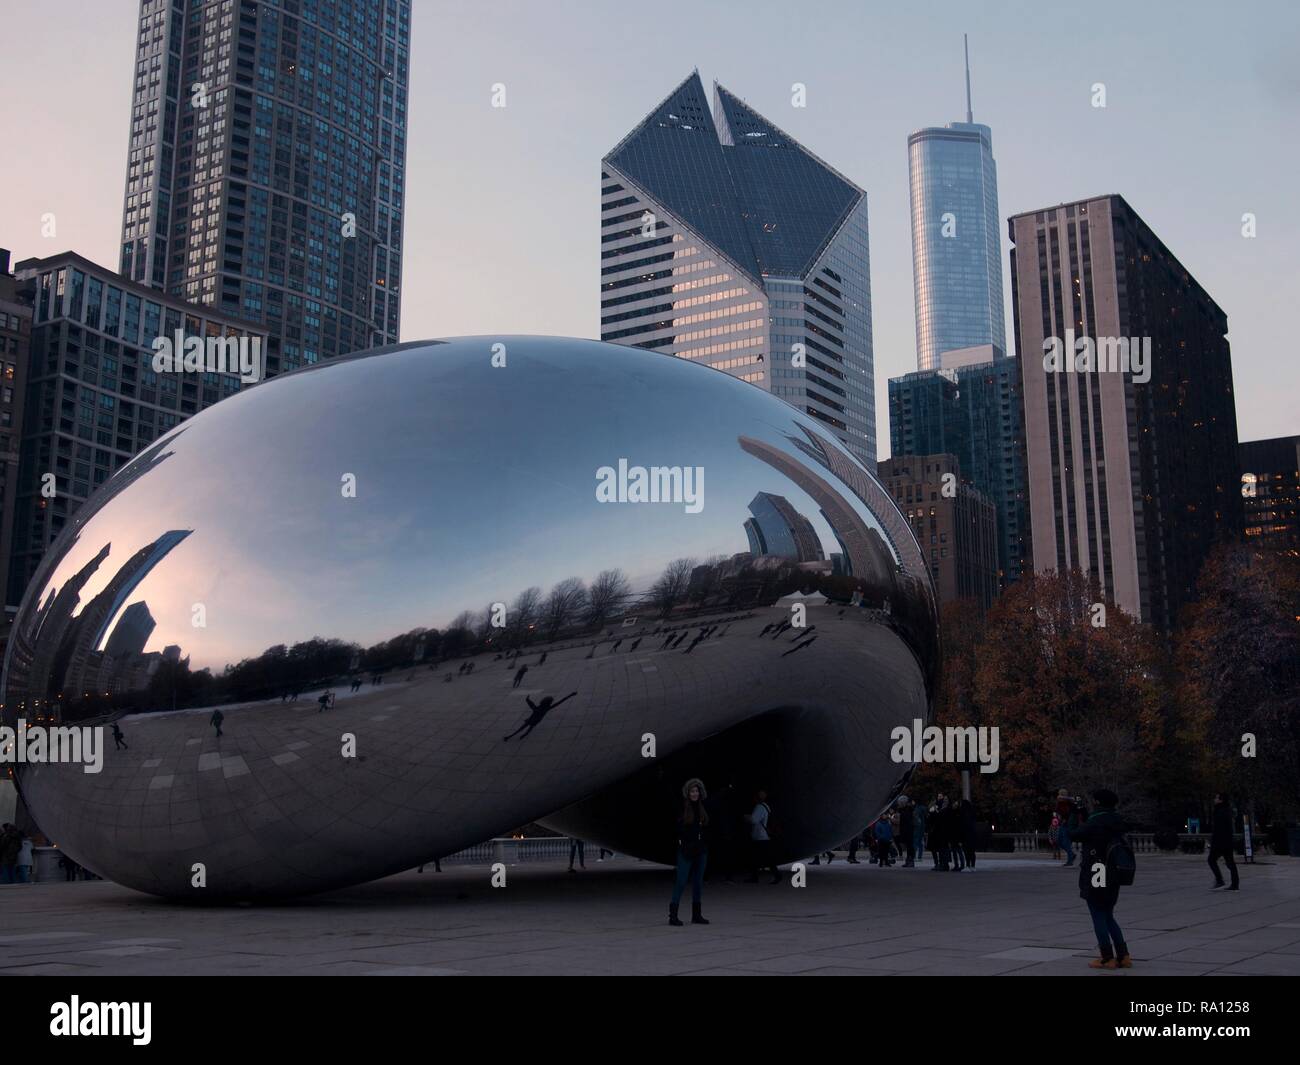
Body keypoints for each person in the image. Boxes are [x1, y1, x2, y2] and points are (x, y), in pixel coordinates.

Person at [1071, 788, 1133, 969]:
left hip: (1097, 871)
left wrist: (1074, 815)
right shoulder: (1116, 820)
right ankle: (1123, 955)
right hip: (1114, 872)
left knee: (1098, 914)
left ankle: (1107, 957)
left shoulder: (1095, 822)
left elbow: (1073, 833)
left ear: (1098, 802)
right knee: (1108, 915)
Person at [669, 778, 710, 926]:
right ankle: (673, 915)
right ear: (688, 793)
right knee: (681, 881)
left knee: (698, 882)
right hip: (686, 850)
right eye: (692, 791)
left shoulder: (702, 808)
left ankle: (696, 914)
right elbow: (678, 829)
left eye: (697, 791)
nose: (695, 793)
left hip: (700, 850)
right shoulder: (683, 808)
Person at [745, 790, 780, 883]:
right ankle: (756, 876)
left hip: (759, 836)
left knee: (757, 858)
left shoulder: (759, 807)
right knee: (760, 857)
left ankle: (776, 875)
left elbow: (753, 820)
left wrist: (746, 817)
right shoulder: (766, 807)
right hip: (763, 836)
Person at [1209, 793, 1240, 891]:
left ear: (1221, 800)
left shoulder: (1220, 811)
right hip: (1227, 841)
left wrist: (1215, 842)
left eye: (1216, 798)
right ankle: (1235, 884)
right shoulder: (1226, 810)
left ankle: (1220, 880)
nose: (1214, 799)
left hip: (1220, 842)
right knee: (1230, 862)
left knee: (1211, 860)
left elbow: (1219, 829)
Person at [1056, 789, 1076, 866]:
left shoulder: (1069, 802)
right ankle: (1071, 854)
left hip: (1068, 824)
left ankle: (1070, 860)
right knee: (1059, 841)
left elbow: (1071, 812)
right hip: (1062, 824)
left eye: (1061, 794)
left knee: (1066, 842)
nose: (1059, 796)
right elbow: (1058, 812)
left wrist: (1065, 798)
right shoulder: (1059, 803)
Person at [960, 797, 978, 871]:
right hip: (972, 835)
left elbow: (963, 826)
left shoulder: (963, 814)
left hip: (966, 836)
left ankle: (967, 865)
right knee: (972, 852)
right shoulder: (972, 813)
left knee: (966, 851)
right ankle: (973, 866)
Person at [898, 797, 916, 867]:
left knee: (909, 846)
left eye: (900, 803)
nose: (899, 804)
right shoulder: (904, 810)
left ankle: (910, 861)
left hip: (908, 830)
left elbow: (907, 822)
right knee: (908, 846)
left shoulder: (907, 810)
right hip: (906, 830)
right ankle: (908, 860)